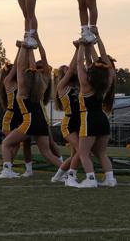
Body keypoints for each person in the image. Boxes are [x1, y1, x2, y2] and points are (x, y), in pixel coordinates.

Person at [0, 42, 61, 178]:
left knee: (9, 144)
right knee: (44, 151)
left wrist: (23, 48)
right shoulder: (32, 85)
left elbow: (18, 67)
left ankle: (7, 169)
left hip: (28, 118)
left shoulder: (24, 87)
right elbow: (19, 68)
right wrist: (27, 48)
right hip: (23, 117)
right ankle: (68, 171)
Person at [66, 34, 117, 188]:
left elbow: (79, 63)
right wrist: (95, 42)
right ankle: (110, 179)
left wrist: (81, 45)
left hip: (89, 120)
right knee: (101, 153)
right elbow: (104, 62)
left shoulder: (86, 85)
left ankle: (90, 179)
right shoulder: (107, 81)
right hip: (103, 120)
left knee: (83, 152)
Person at [51, 43, 82, 183]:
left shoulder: (79, 84)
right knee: (82, 150)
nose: (70, 69)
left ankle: (57, 177)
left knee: (76, 154)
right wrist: (78, 49)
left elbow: (80, 66)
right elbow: (73, 67)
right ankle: (71, 177)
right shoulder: (62, 86)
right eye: (67, 69)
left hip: (81, 122)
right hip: (69, 124)